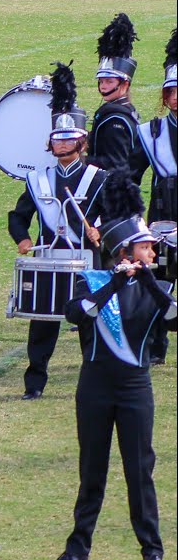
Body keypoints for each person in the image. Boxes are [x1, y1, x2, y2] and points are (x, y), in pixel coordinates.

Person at [46, 174, 174, 560]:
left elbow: (173, 317)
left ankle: (152, 552)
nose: (153, 251)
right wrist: (115, 282)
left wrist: (147, 277)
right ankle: (77, 549)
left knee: (140, 472)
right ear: (124, 250)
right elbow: (77, 313)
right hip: (95, 386)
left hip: (135, 387)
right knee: (92, 472)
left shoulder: (159, 288)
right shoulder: (92, 281)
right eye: (146, 247)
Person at [7, 62, 108, 400]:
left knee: (89, 325)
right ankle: (34, 385)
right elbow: (18, 216)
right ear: (50, 143)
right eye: (57, 138)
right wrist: (22, 238)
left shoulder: (99, 177)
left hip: (86, 262)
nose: (63, 144)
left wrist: (100, 230)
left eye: (70, 138)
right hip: (49, 259)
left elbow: (116, 215)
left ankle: (94, 383)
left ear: (82, 142)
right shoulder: (37, 180)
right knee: (42, 326)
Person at [132, 27, 176, 365]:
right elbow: (133, 176)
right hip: (164, 211)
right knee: (159, 281)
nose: (175, 97)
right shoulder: (152, 131)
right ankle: (156, 346)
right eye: (170, 91)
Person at [87, 13, 143, 181]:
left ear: (125, 84)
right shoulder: (124, 109)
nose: (103, 86)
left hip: (113, 194)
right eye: (101, 81)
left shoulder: (116, 119)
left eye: (109, 82)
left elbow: (114, 163)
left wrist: (79, 160)